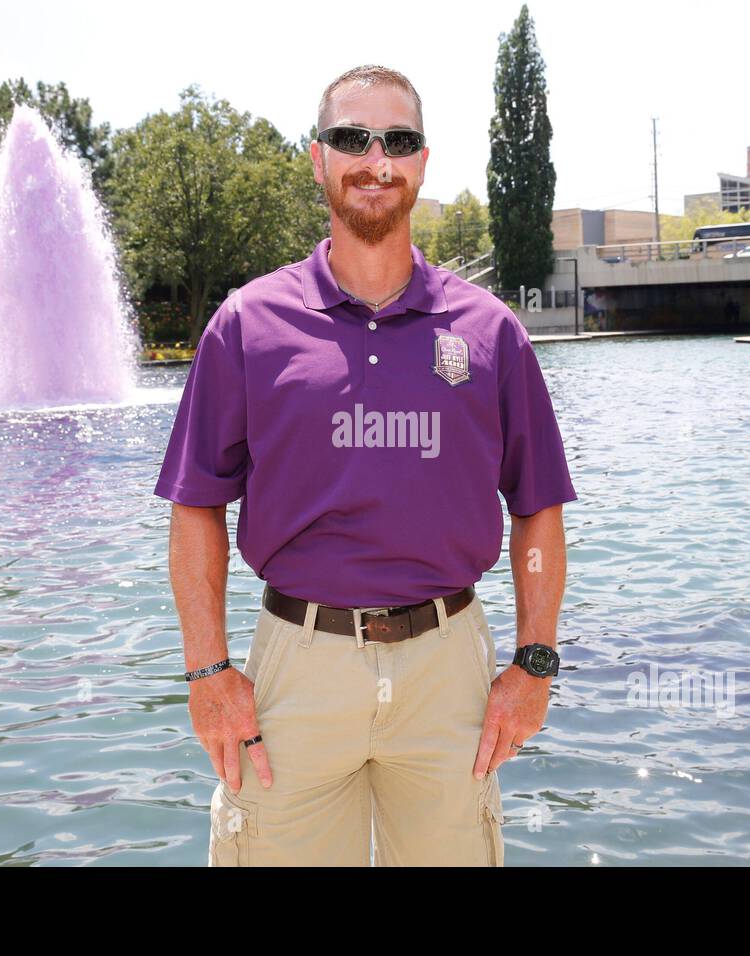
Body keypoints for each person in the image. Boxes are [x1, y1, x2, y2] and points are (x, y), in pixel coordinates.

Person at [154, 64, 577, 866]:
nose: (375, 159)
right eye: (352, 138)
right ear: (319, 159)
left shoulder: (490, 331)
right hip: (295, 668)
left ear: (422, 162)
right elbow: (195, 505)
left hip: (449, 671)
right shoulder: (247, 325)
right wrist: (207, 671)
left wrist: (535, 662)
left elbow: (539, 507)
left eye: (398, 140)